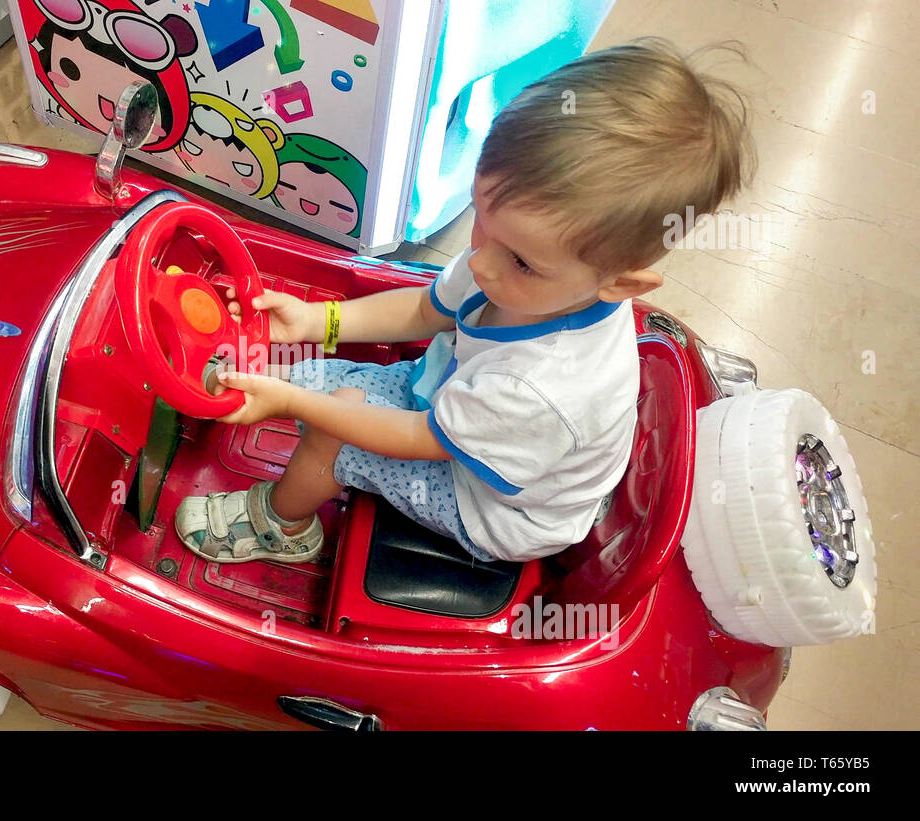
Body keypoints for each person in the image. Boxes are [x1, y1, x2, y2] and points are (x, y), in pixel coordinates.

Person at [175, 38, 755, 565]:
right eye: (481, 216)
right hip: (463, 412)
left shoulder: (545, 389)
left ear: (620, 285)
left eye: (520, 260)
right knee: (311, 378)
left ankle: (283, 526)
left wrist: (297, 405)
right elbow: (427, 308)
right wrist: (316, 318)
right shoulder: (517, 263)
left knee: (329, 429)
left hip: (491, 508)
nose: (479, 261)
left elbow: (421, 439)